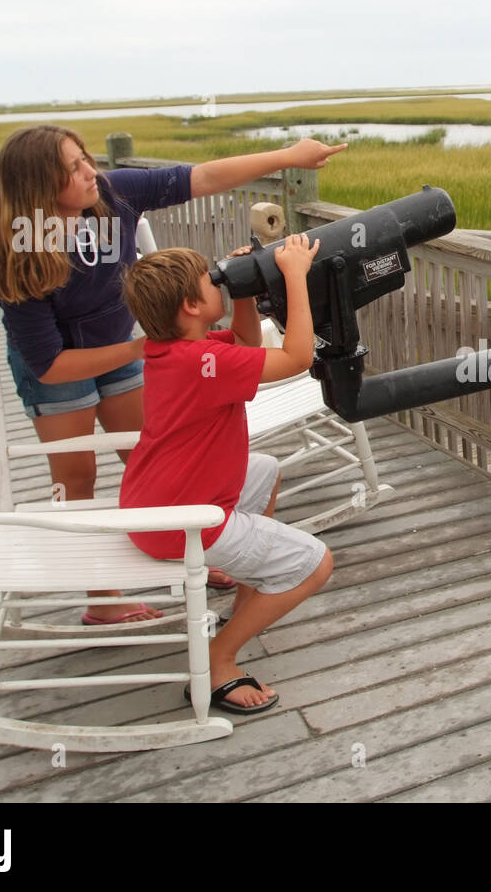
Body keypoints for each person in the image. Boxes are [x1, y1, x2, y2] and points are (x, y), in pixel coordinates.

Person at [0, 125, 345, 624]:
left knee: (151, 451)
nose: (91, 171)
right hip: (59, 365)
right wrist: (142, 346)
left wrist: (290, 155)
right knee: (76, 477)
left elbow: (201, 177)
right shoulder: (21, 251)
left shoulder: (111, 195)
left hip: (127, 347)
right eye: (73, 169)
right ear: (38, 187)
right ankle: (103, 601)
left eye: (85, 158)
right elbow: (48, 364)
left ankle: (199, 546)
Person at [117, 236, 332, 713]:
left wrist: (244, 294)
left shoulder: (176, 349)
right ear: (193, 305)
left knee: (266, 469)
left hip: (153, 503)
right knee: (315, 563)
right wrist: (293, 274)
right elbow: (297, 357)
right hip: (183, 522)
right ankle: (216, 659)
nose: (221, 281)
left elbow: (245, 343)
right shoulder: (200, 362)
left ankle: (248, 595)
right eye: (212, 281)